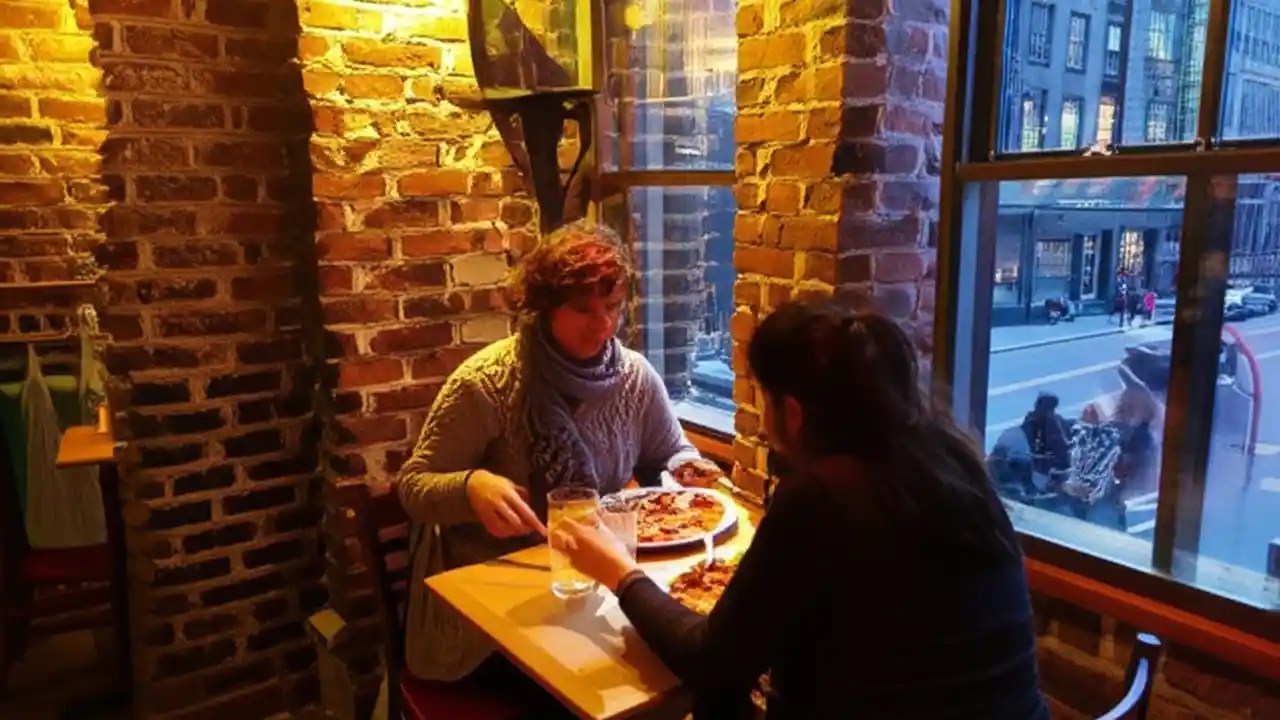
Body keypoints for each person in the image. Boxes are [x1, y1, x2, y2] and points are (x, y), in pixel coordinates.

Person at [555, 302, 1049, 719]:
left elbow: (710, 659)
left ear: (791, 411)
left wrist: (619, 571)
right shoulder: (952, 460)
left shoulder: (821, 495)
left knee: (716, 694)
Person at [395, 222, 722, 690]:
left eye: (613, 307)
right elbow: (413, 486)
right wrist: (472, 486)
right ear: (545, 308)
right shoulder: (487, 383)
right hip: (497, 607)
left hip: (597, 587)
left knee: (660, 679)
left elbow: (670, 451)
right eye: (583, 309)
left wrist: (686, 467)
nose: (605, 324)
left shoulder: (634, 376)